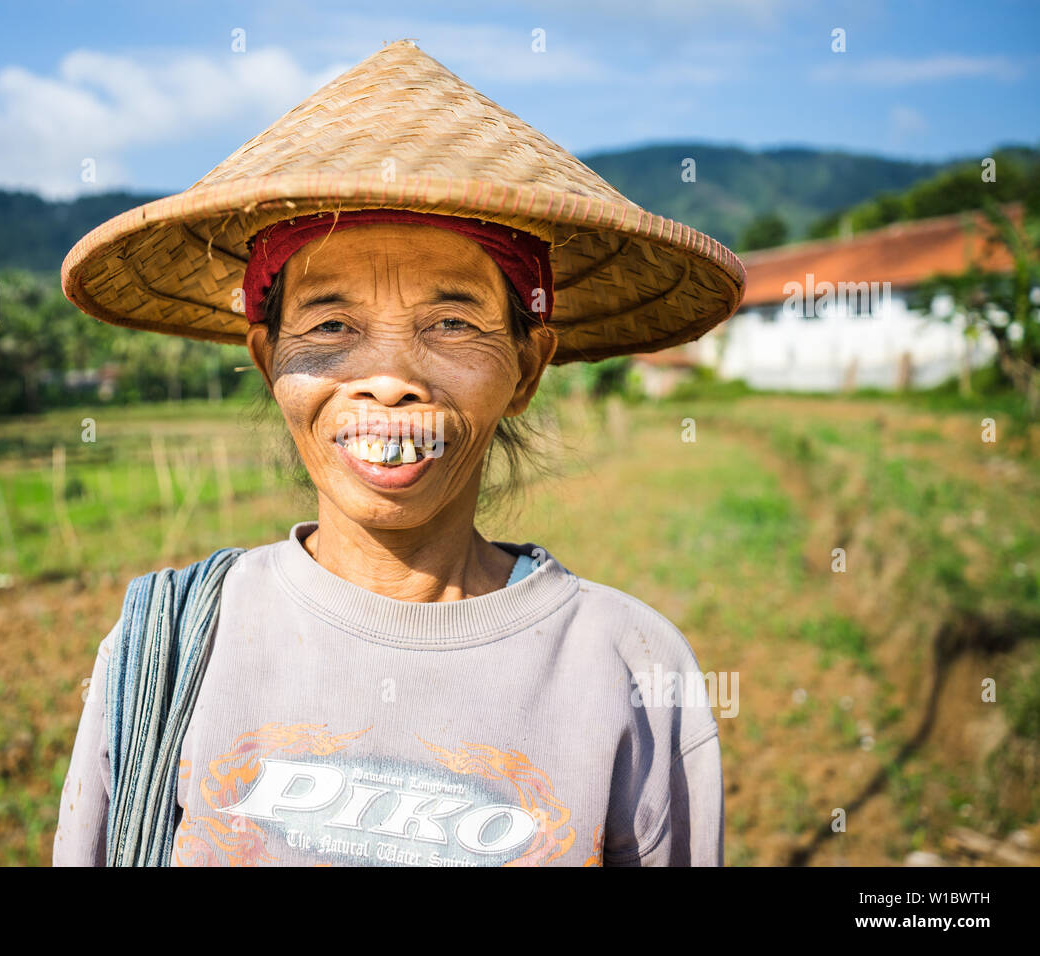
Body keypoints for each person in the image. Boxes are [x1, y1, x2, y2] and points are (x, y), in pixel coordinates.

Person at [54, 38, 745, 867]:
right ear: (268, 361)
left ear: (527, 368)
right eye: (330, 325)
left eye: (451, 323)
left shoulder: (629, 666)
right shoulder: (166, 649)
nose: (389, 382)